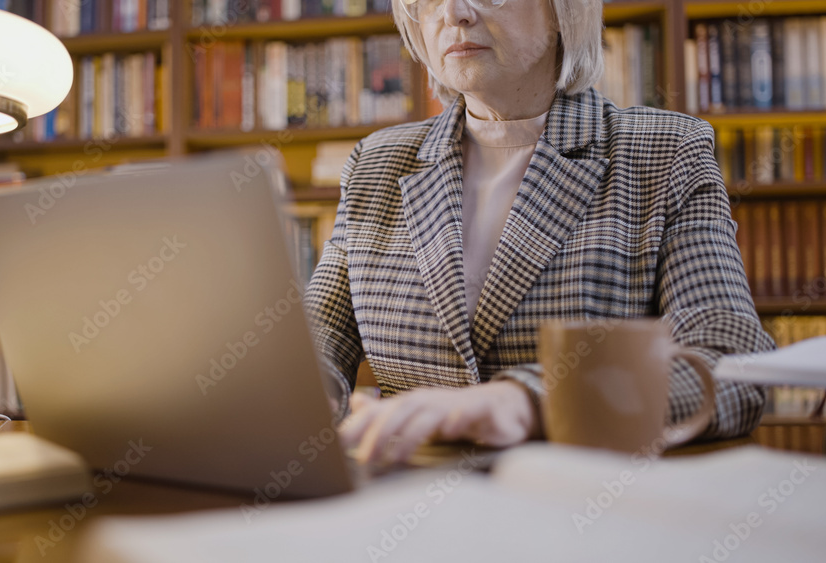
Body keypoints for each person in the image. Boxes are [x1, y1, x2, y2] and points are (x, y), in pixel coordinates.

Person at [304, 0, 774, 467]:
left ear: (560, 11)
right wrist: (304, 399)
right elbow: (317, 338)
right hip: (400, 505)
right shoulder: (377, 162)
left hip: (588, 507)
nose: (453, 13)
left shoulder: (664, 153)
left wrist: (525, 401)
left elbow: (733, 361)